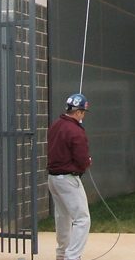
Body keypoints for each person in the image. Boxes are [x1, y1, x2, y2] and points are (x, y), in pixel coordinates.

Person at [47, 93, 93, 260]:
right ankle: (72, 256)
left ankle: (61, 254)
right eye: (83, 112)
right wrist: (87, 162)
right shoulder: (75, 131)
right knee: (82, 219)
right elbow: (82, 160)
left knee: (63, 218)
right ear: (79, 112)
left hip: (53, 178)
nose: (84, 116)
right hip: (68, 179)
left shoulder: (55, 125)